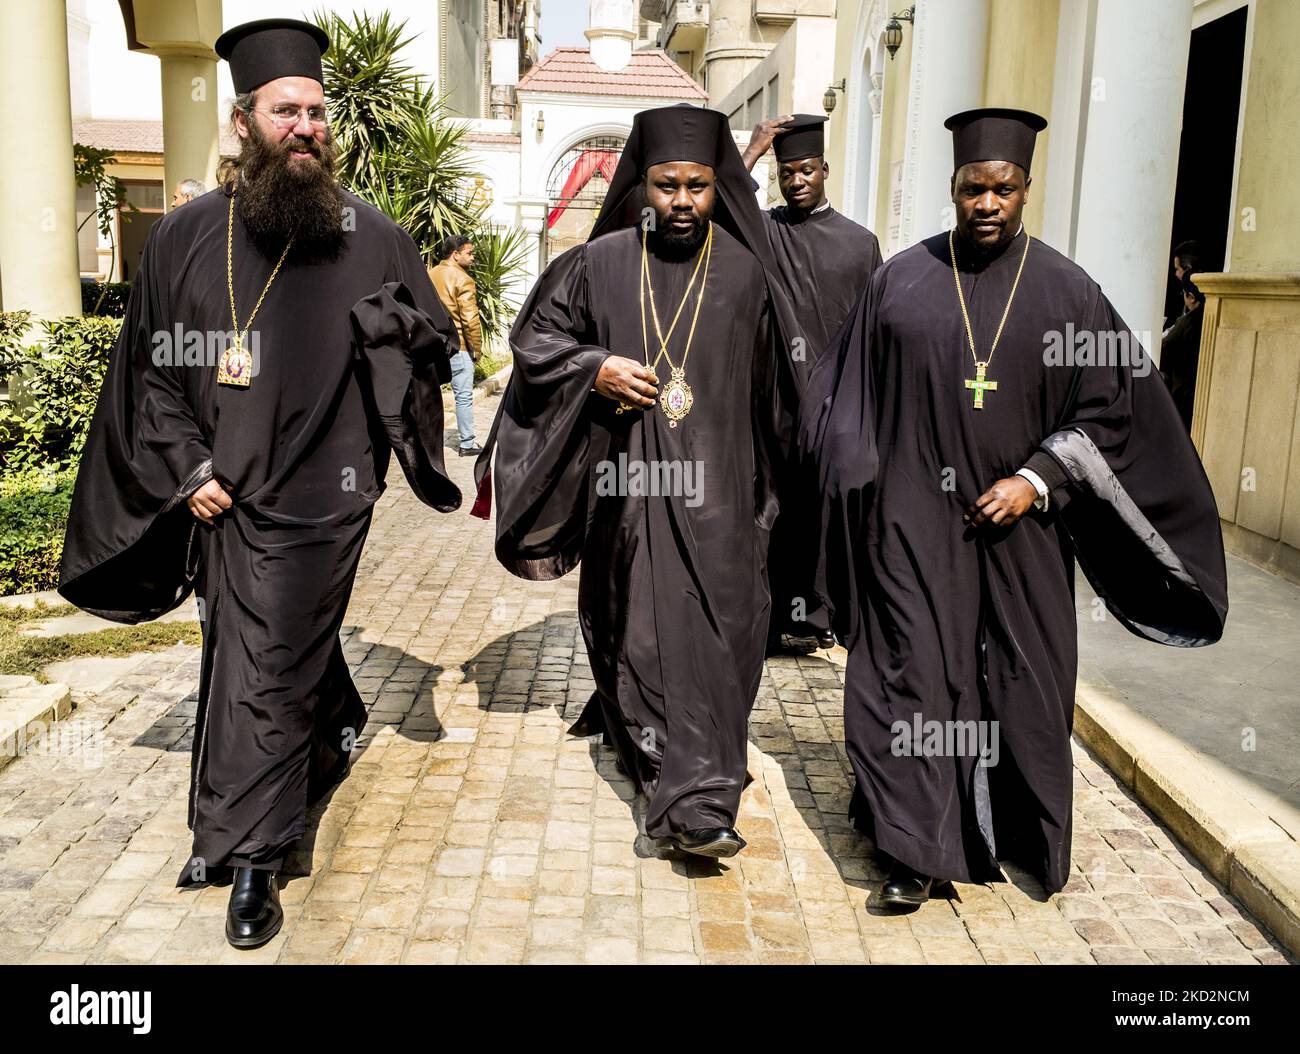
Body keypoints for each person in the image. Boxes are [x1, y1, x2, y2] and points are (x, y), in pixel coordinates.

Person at [58, 18, 462, 949]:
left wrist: (395, 337)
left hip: (327, 493)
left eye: (319, 112)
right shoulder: (186, 237)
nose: (309, 126)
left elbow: (436, 344)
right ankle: (320, 739)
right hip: (217, 494)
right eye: (288, 111)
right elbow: (150, 373)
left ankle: (252, 856)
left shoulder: (374, 236)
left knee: (265, 662)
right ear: (246, 122)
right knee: (242, 649)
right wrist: (186, 468)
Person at [801, 108, 1227, 907]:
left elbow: (1114, 410)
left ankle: (1020, 830)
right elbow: (846, 393)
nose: (987, 203)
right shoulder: (902, 279)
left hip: (1023, 534)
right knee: (909, 678)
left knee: (1025, 680)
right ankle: (910, 849)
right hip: (910, 526)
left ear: (1026, 189)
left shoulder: (1069, 290)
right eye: (973, 189)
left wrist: (1036, 478)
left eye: (1004, 188)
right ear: (953, 189)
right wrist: (852, 480)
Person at [472, 104, 801, 859]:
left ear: (718, 188)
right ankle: (689, 796)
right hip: (630, 495)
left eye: (697, 186)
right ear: (640, 187)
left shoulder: (748, 272)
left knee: (725, 641)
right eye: (665, 186)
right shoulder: (600, 263)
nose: (682, 201)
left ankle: (700, 786)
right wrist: (597, 367)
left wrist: (777, 495)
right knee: (643, 636)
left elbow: (777, 398)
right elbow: (537, 341)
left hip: (723, 498)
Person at [743, 114, 883, 653]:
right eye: (787, 173)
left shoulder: (860, 244)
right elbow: (723, 205)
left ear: (825, 170)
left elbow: (874, 330)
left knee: (826, 513)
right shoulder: (768, 232)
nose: (797, 181)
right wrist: (754, 148)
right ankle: (772, 617)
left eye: (806, 170)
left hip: (838, 403)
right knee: (773, 510)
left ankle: (817, 617)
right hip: (774, 401)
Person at [429, 233, 483, 456]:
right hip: (458, 347)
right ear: (455, 254)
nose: (472, 258)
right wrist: (477, 350)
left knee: (430, 396)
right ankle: (467, 443)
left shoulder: (430, 274)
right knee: (463, 397)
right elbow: (470, 319)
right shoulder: (463, 280)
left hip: (432, 345)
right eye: (469, 253)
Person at [1161, 272, 1205, 430]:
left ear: (1191, 297)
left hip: (1184, 394)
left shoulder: (1189, 322)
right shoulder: (1210, 318)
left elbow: (1164, 350)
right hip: (1201, 394)